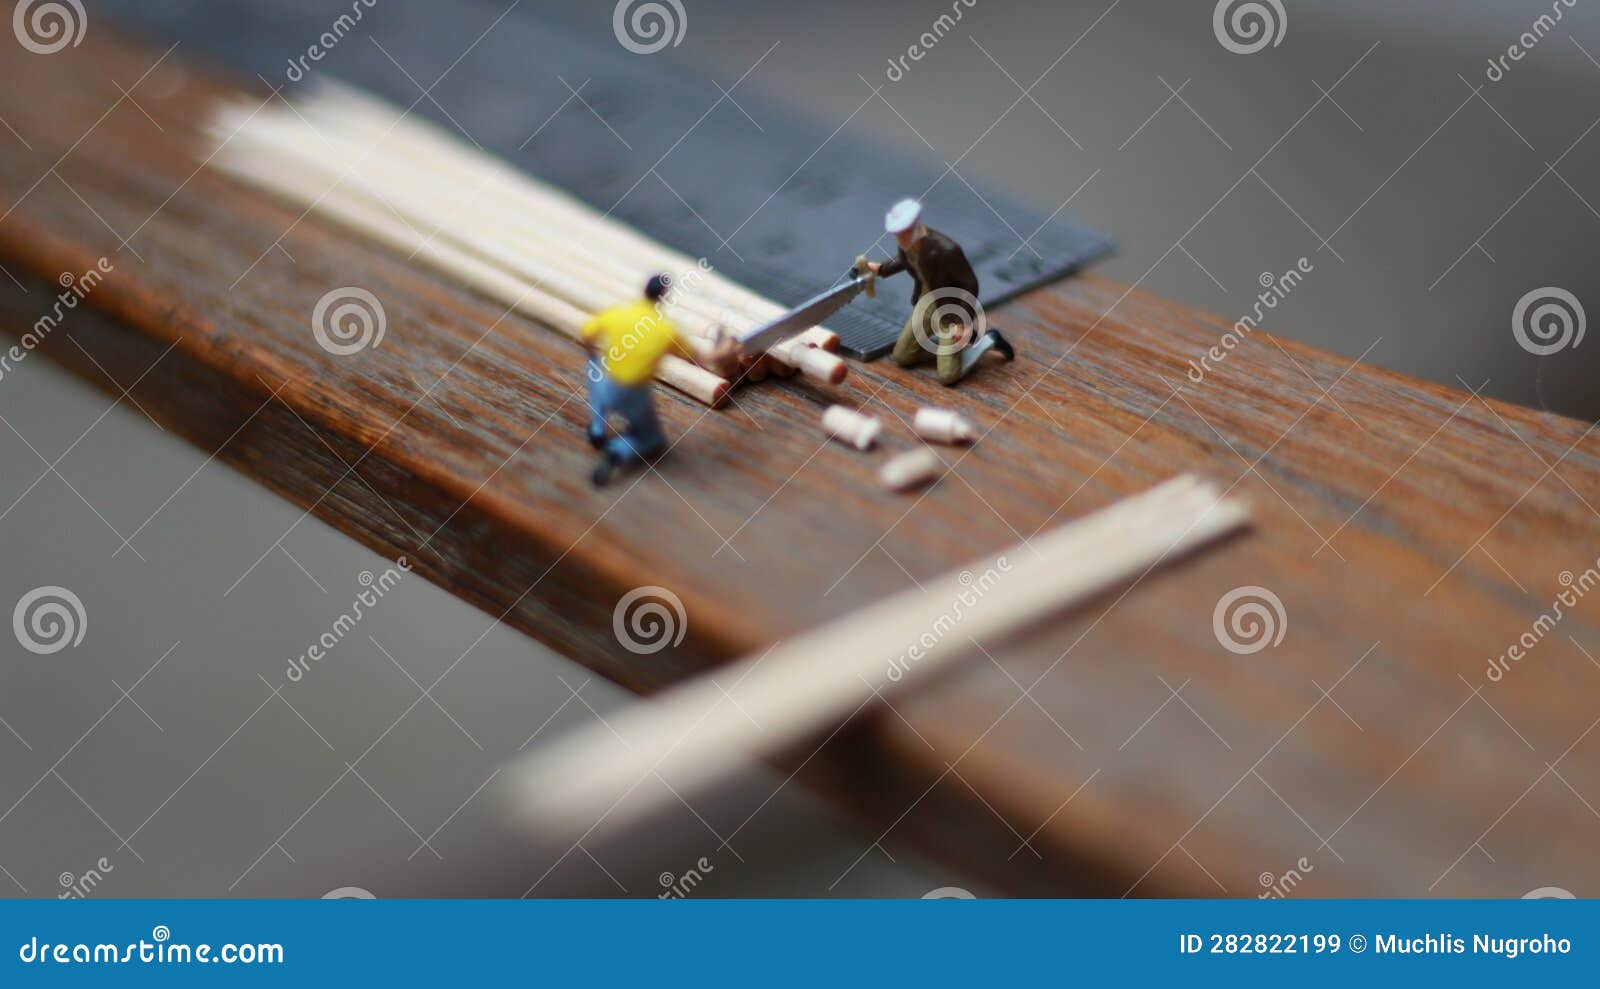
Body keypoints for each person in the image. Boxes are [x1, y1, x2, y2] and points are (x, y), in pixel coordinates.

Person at [582, 274, 736, 486]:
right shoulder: (666, 331)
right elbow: (700, 359)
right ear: (663, 297)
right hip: (633, 394)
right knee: (651, 437)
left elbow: (587, 334)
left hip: (607, 383)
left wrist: (592, 354)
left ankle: (597, 429)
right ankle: (617, 451)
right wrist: (726, 351)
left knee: (595, 371)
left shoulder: (619, 313)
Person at [860, 199, 1014, 385]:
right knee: (902, 356)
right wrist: (880, 269)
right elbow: (904, 260)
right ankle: (949, 349)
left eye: (902, 233)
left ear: (915, 227)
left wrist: (962, 323)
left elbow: (969, 284)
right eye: (897, 234)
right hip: (928, 300)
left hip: (950, 308)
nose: (899, 239)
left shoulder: (947, 250)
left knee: (948, 376)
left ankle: (987, 340)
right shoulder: (908, 243)